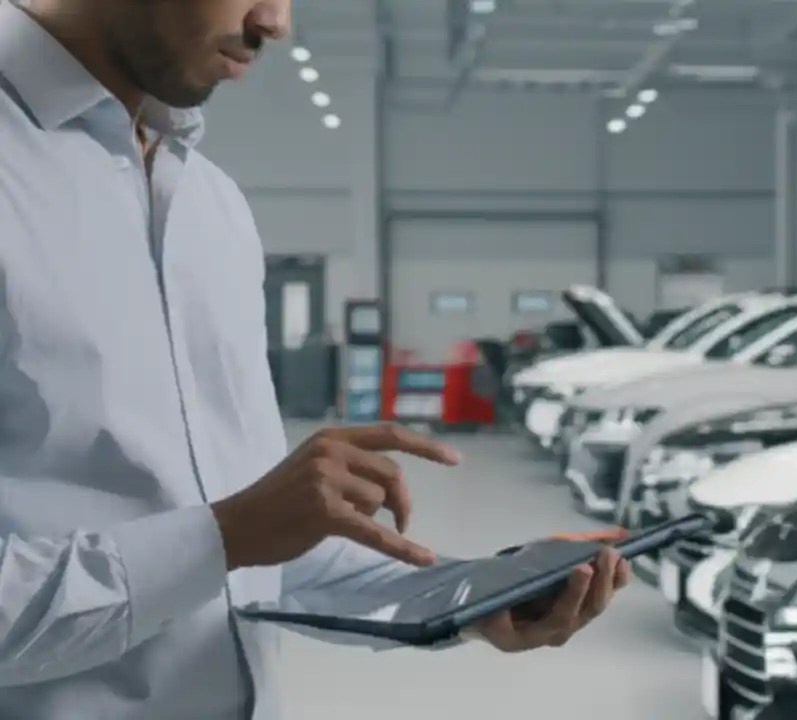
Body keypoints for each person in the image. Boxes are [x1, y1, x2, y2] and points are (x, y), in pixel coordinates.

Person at [0, 0, 630, 717]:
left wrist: (466, 594)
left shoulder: (211, 206)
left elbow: (257, 554)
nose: (277, 22)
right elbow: (227, 539)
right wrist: (224, 536)